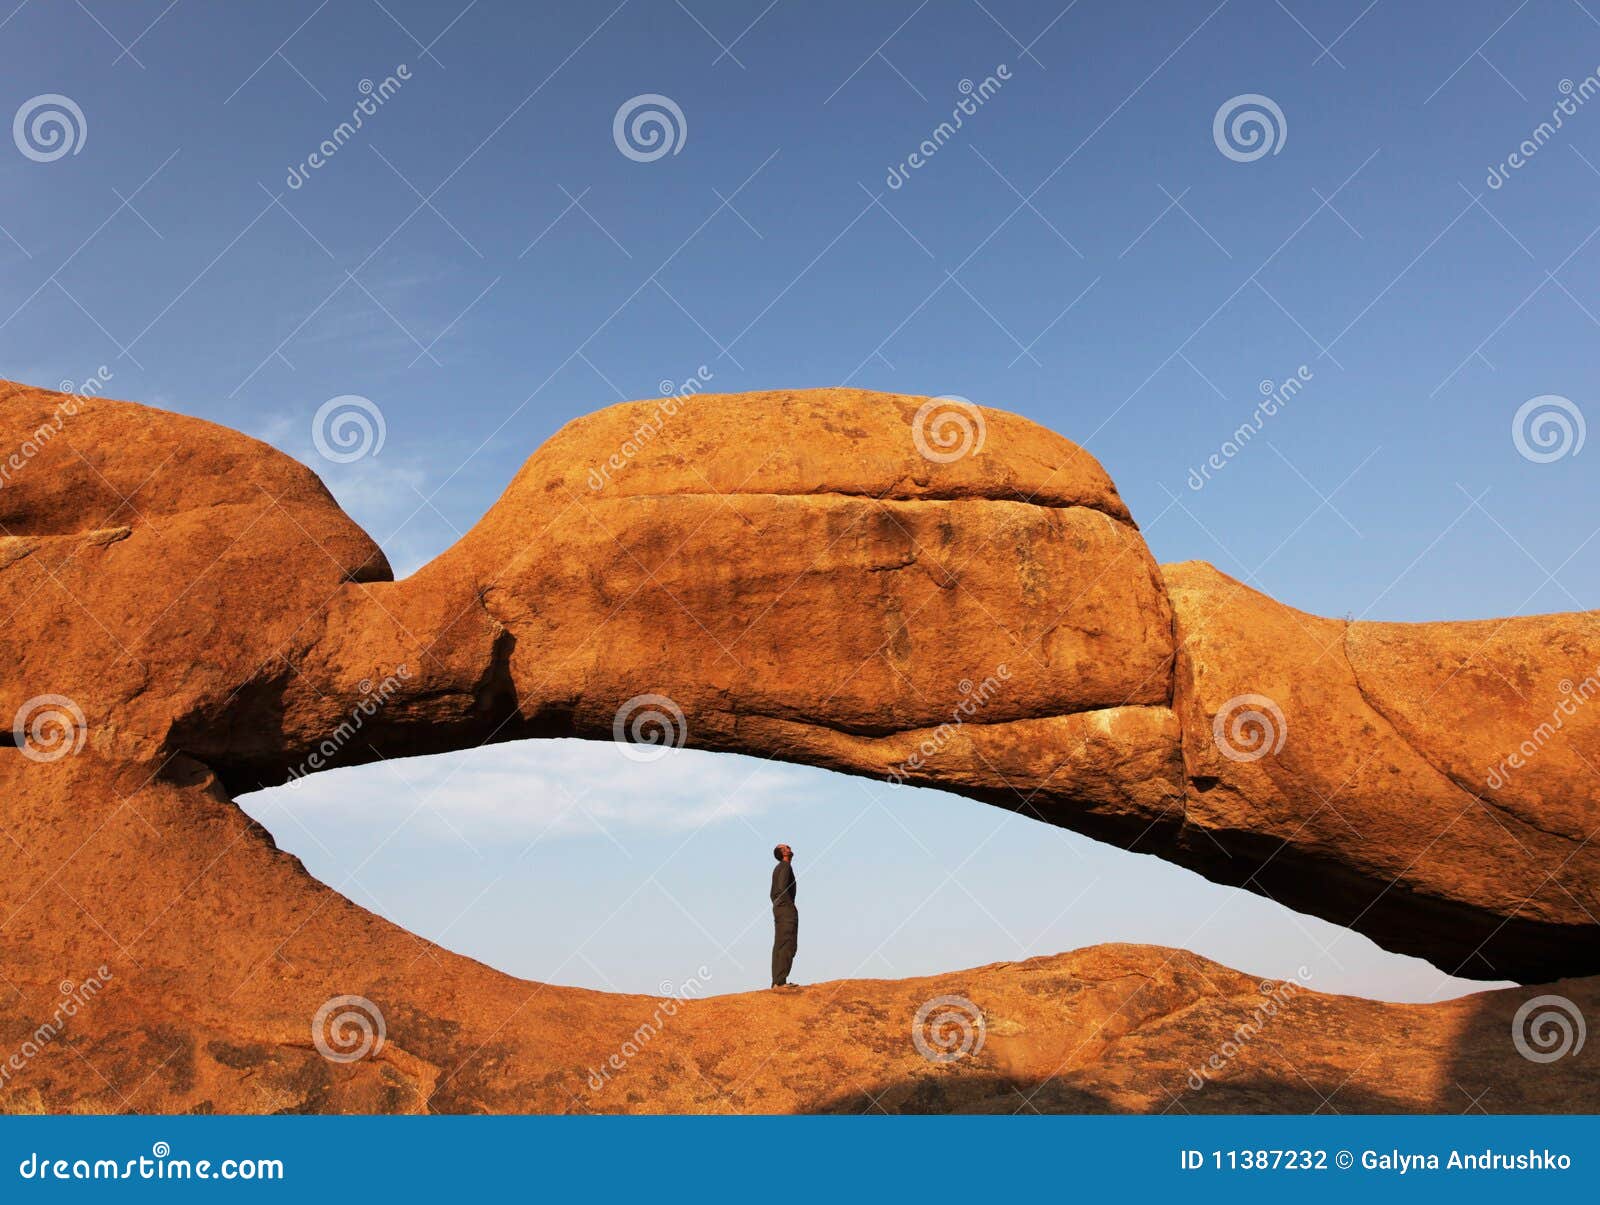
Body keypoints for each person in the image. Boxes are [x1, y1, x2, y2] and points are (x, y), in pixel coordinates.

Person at [770, 843, 798, 988]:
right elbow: (781, 888)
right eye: (785, 847)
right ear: (782, 853)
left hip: (780, 907)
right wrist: (787, 904)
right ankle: (780, 982)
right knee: (787, 942)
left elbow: (773, 893)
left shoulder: (779, 868)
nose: (789, 848)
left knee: (781, 943)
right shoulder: (785, 866)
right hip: (785, 907)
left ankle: (778, 981)